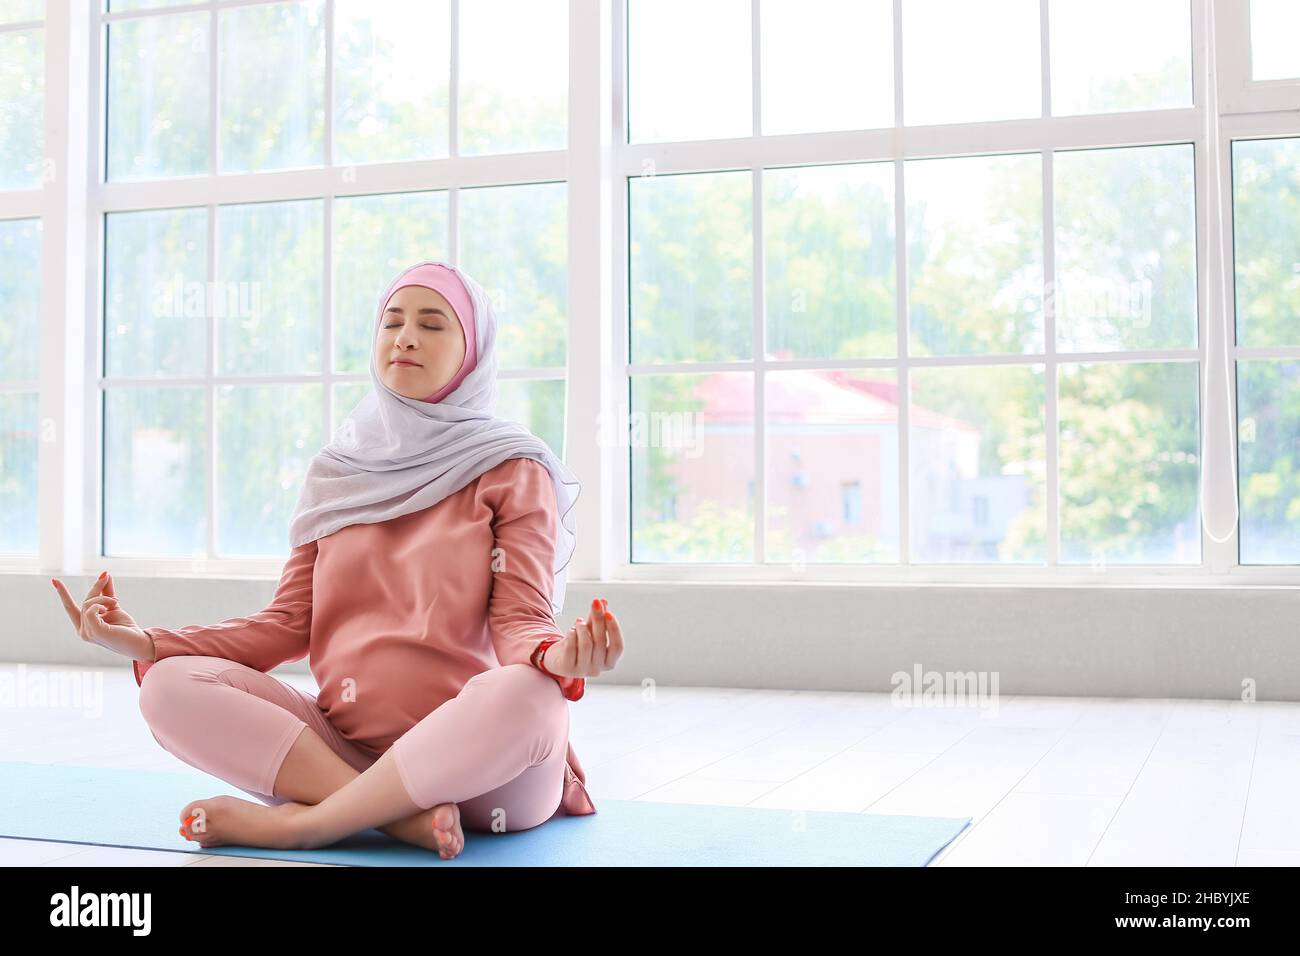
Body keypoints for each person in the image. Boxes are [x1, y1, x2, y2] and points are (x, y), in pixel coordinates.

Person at [52, 260, 623, 859]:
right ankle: (392, 816)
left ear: (473, 353)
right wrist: (144, 642)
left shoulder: (512, 467)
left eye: (433, 325)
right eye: (392, 322)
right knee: (167, 687)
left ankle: (309, 826)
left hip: (483, 773)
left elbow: (519, 621)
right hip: (343, 749)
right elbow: (285, 625)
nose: (405, 337)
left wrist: (558, 655)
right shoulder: (338, 472)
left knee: (530, 694)